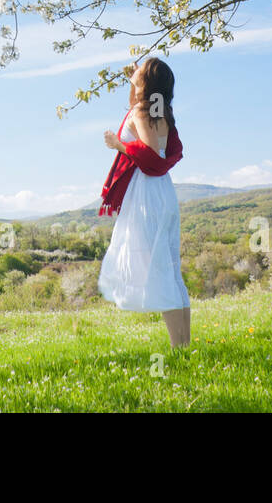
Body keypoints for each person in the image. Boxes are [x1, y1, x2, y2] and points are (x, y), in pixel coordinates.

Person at [97, 57, 192, 348]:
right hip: (161, 191)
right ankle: (184, 345)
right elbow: (145, 131)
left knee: (159, 268)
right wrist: (133, 82)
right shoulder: (160, 111)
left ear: (146, 81)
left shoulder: (143, 111)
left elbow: (151, 156)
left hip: (147, 193)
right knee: (169, 268)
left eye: (139, 72)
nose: (134, 72)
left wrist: (119, 145)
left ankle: (180, 347)